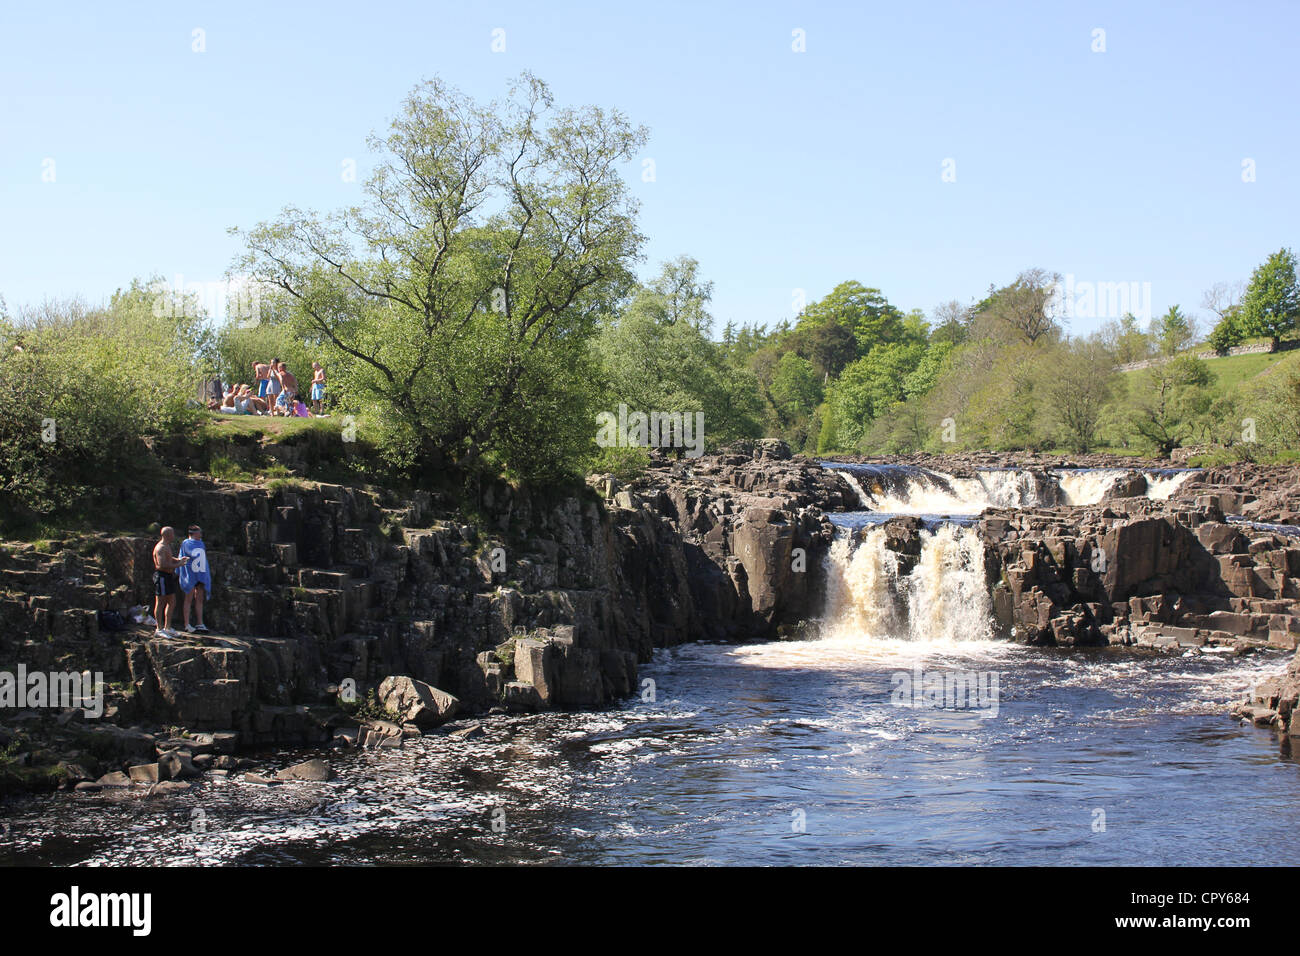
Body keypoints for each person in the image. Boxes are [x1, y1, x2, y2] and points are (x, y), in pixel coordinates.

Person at [151, 527, 190, 637]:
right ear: (167, 535)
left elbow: (168, 558)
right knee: (160, 602)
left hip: (168, 577)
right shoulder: (160, 548)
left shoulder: (167, 546)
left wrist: (178, 559)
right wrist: (178, 565)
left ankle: (167, 627)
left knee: (172, 601)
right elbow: (162, 564)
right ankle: (159, 629)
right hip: (162, 576)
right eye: (172, 534)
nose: (174, 536)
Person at [178, 525, 212, 633]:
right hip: (190, 573)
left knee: (199, 598)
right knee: (189, 597)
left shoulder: (201, 543)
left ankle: (200, 623)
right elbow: (186, 556)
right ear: (194, 533)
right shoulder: (186, 543)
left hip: (200, 573)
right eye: (199, 532)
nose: (201, 534)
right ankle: (187, 624)